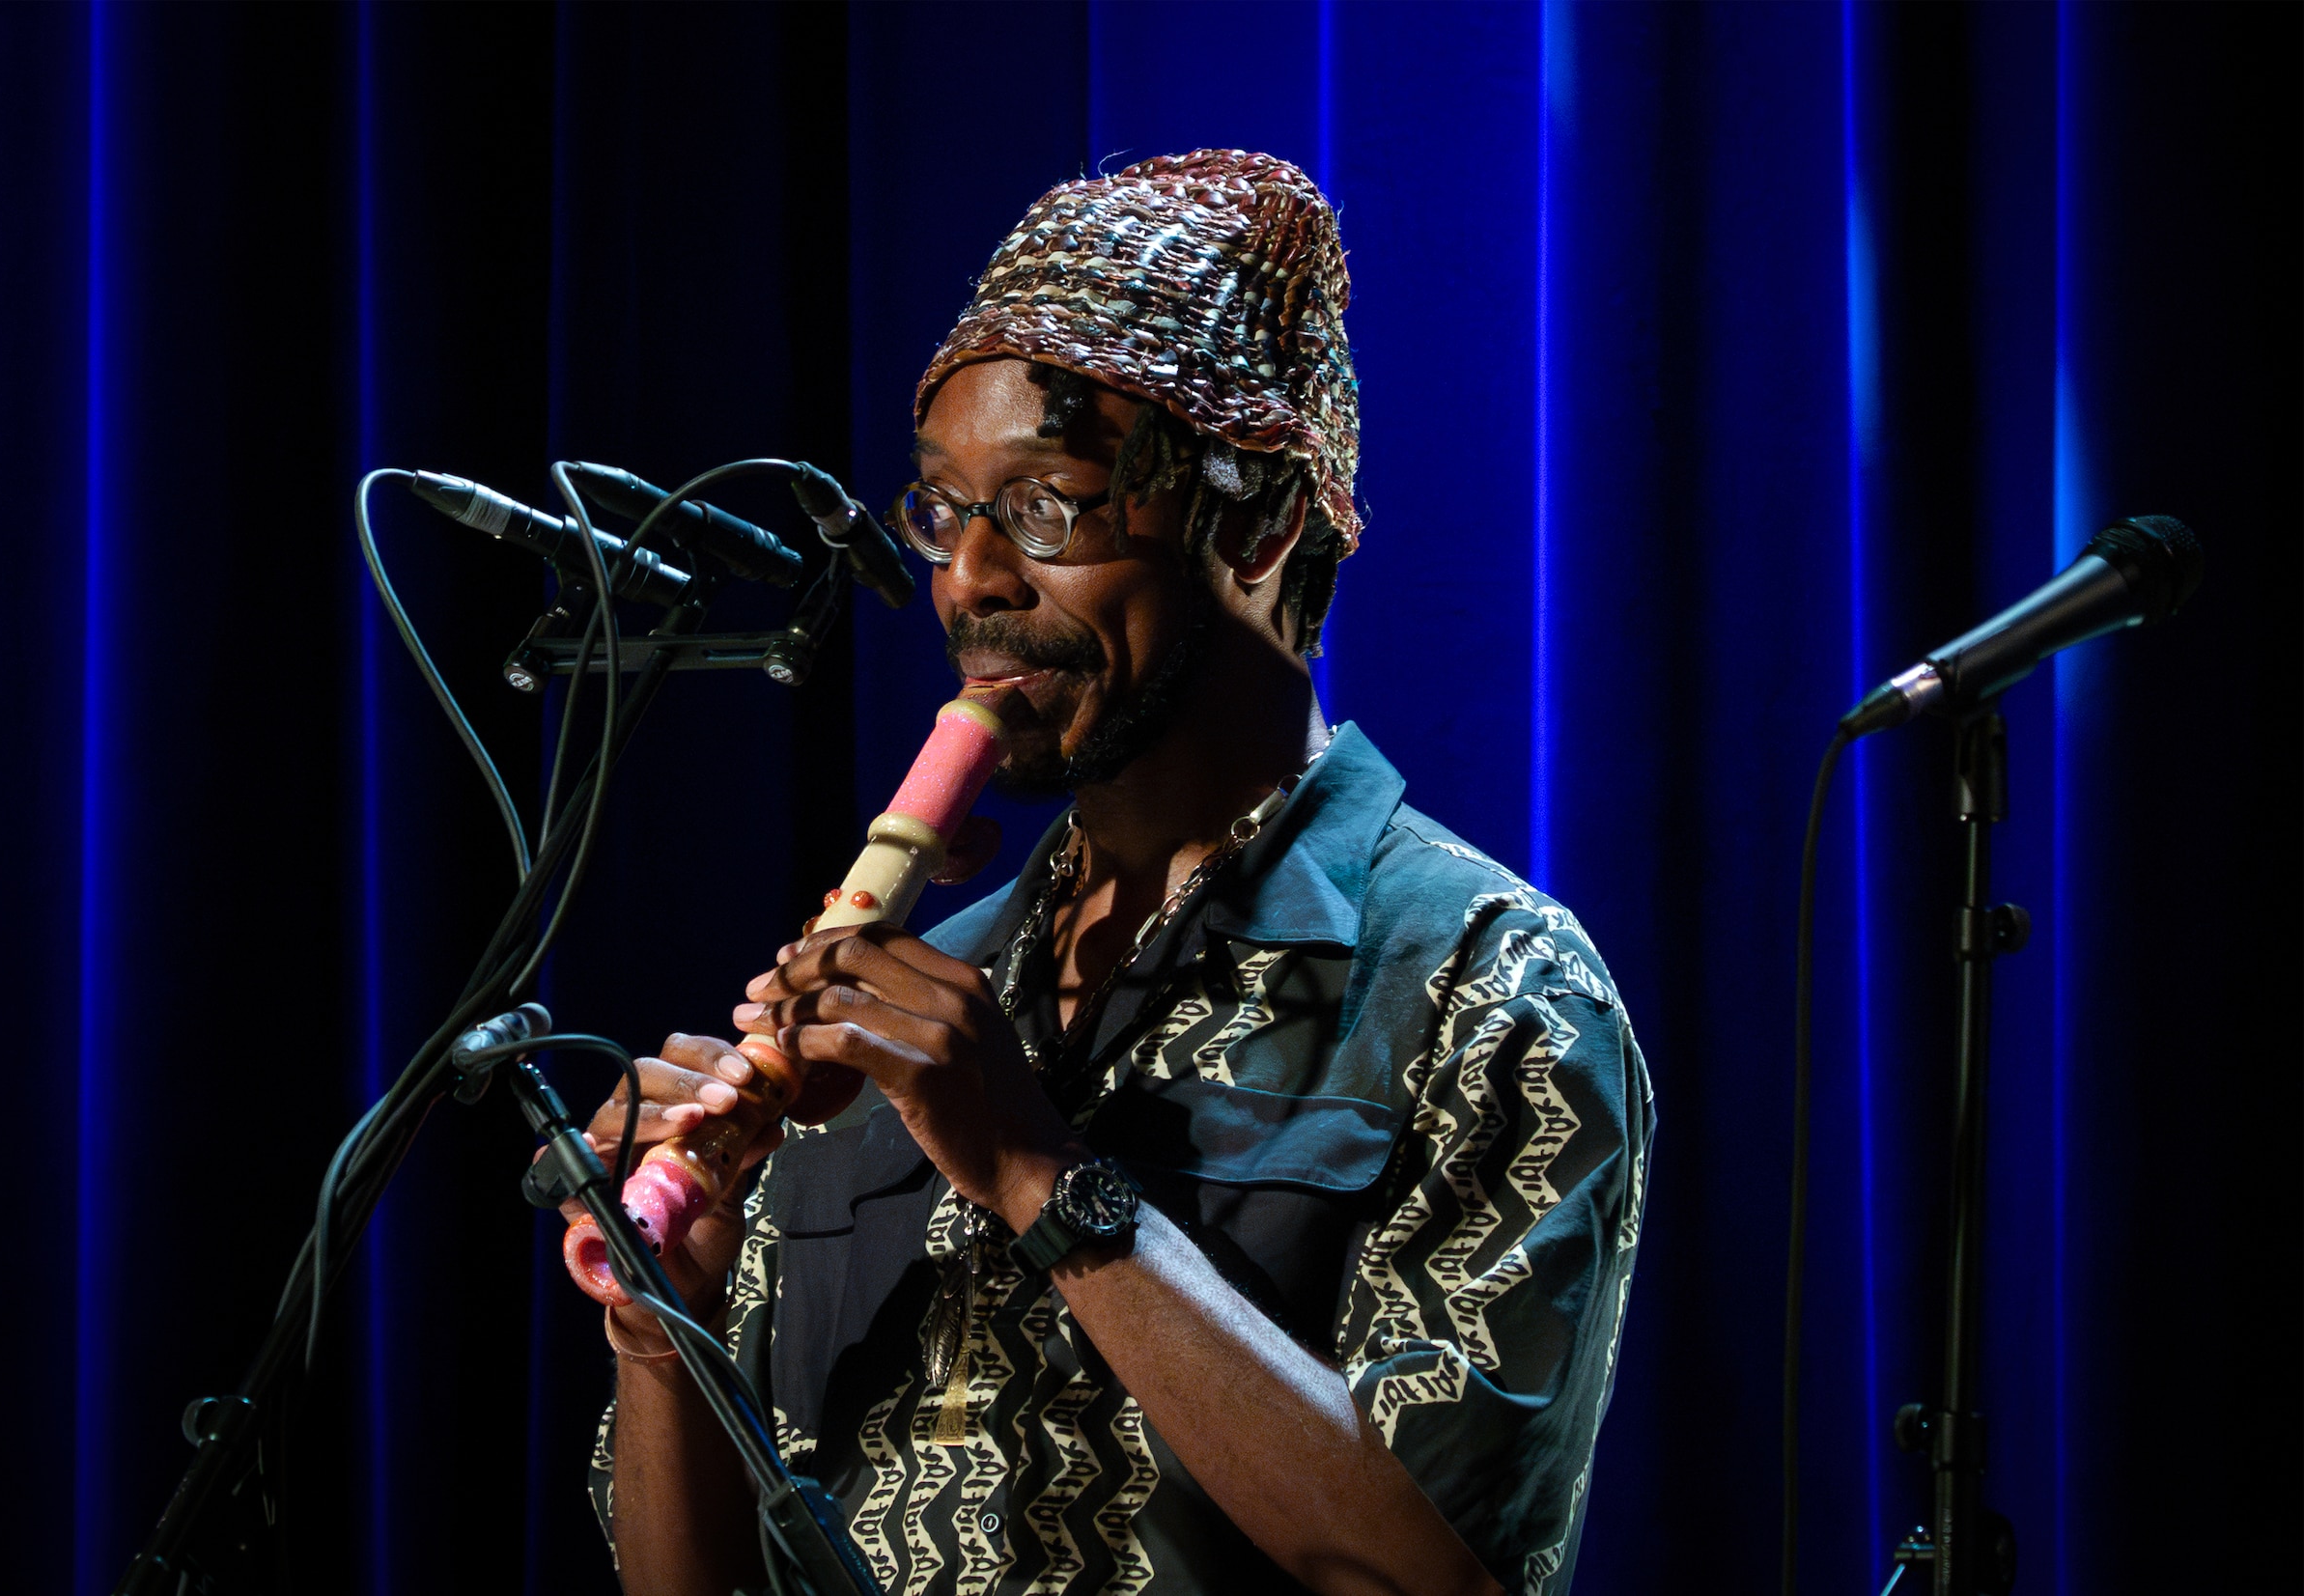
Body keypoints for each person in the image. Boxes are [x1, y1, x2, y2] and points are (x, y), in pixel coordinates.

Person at [576, 150, 1652, 1596]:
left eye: (1047, 503)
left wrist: (1033, 1167)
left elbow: (1434, 1577)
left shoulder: (1486, 983)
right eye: (946, 509)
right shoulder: (911, 1004)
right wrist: (666, 1319)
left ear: (1259, 523)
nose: (971, 578)